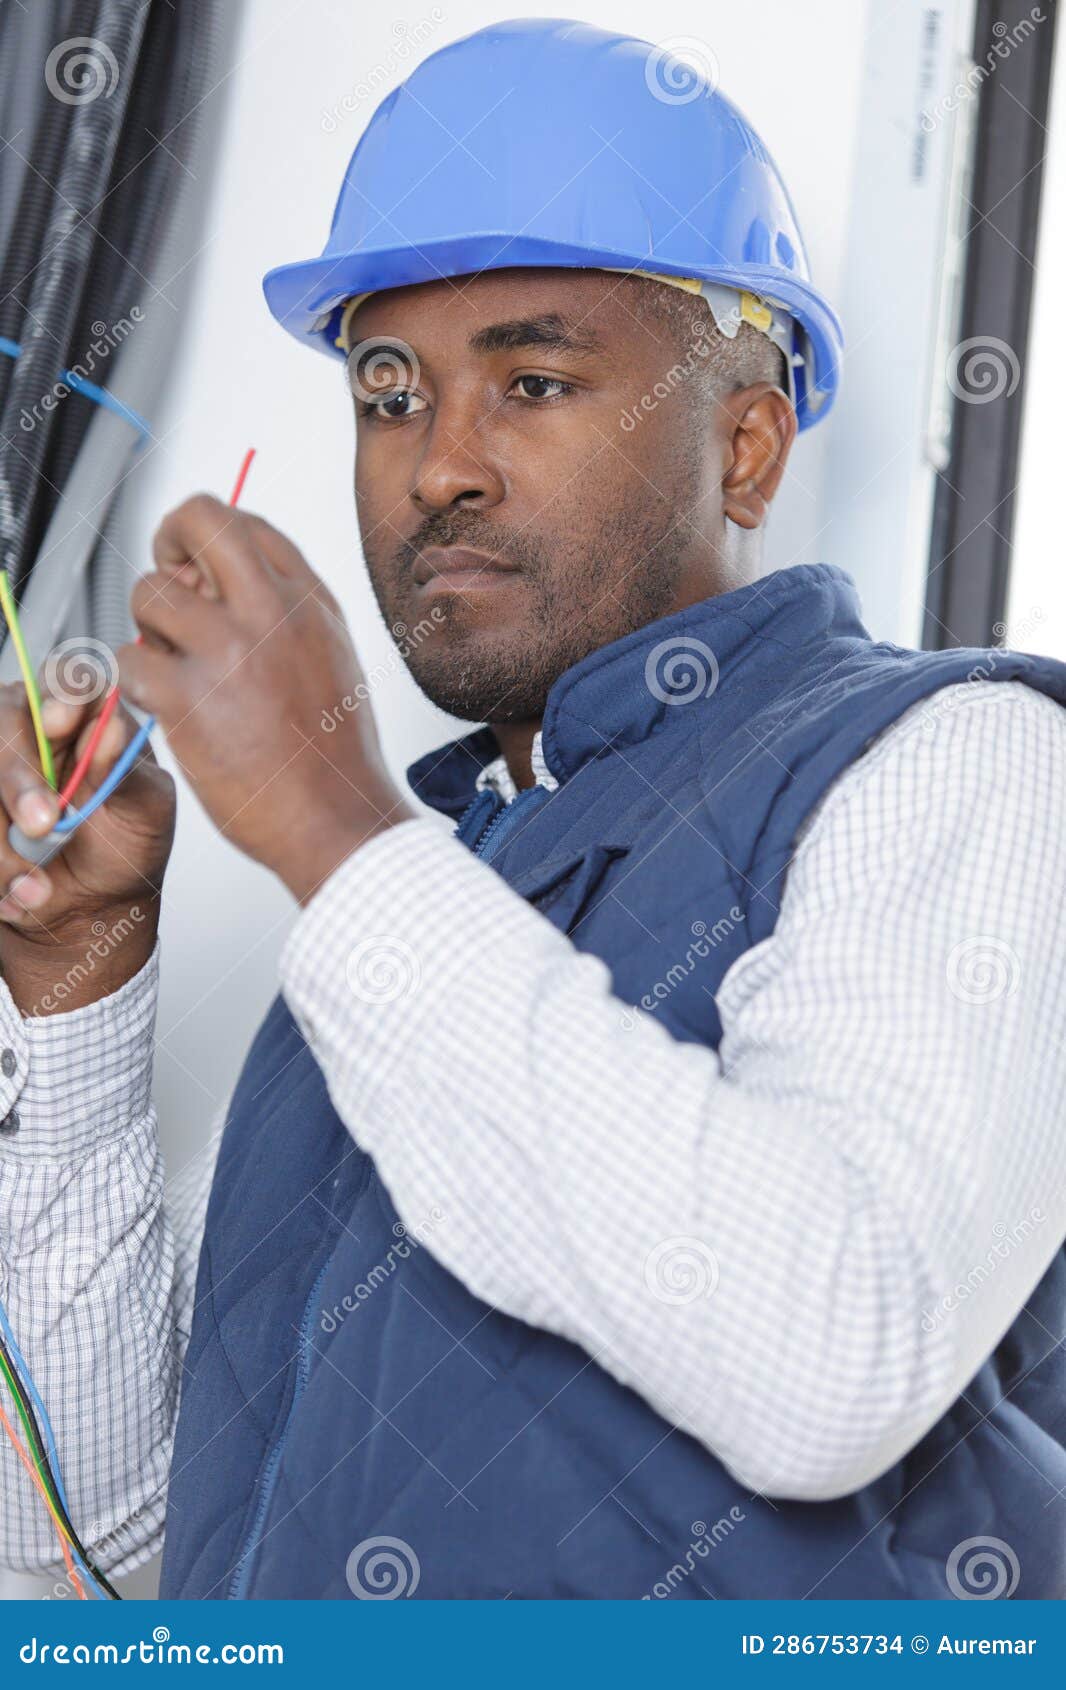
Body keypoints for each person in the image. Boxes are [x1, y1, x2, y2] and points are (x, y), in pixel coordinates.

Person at [0, 18, 1063, 1601]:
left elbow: (835, 1351)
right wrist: (82, 986)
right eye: (386, 392)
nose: (438, 468)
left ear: (748, 443)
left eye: (536, 379)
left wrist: (331, 830)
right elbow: (111, 1546)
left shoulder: (961, 759)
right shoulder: (408, 905)